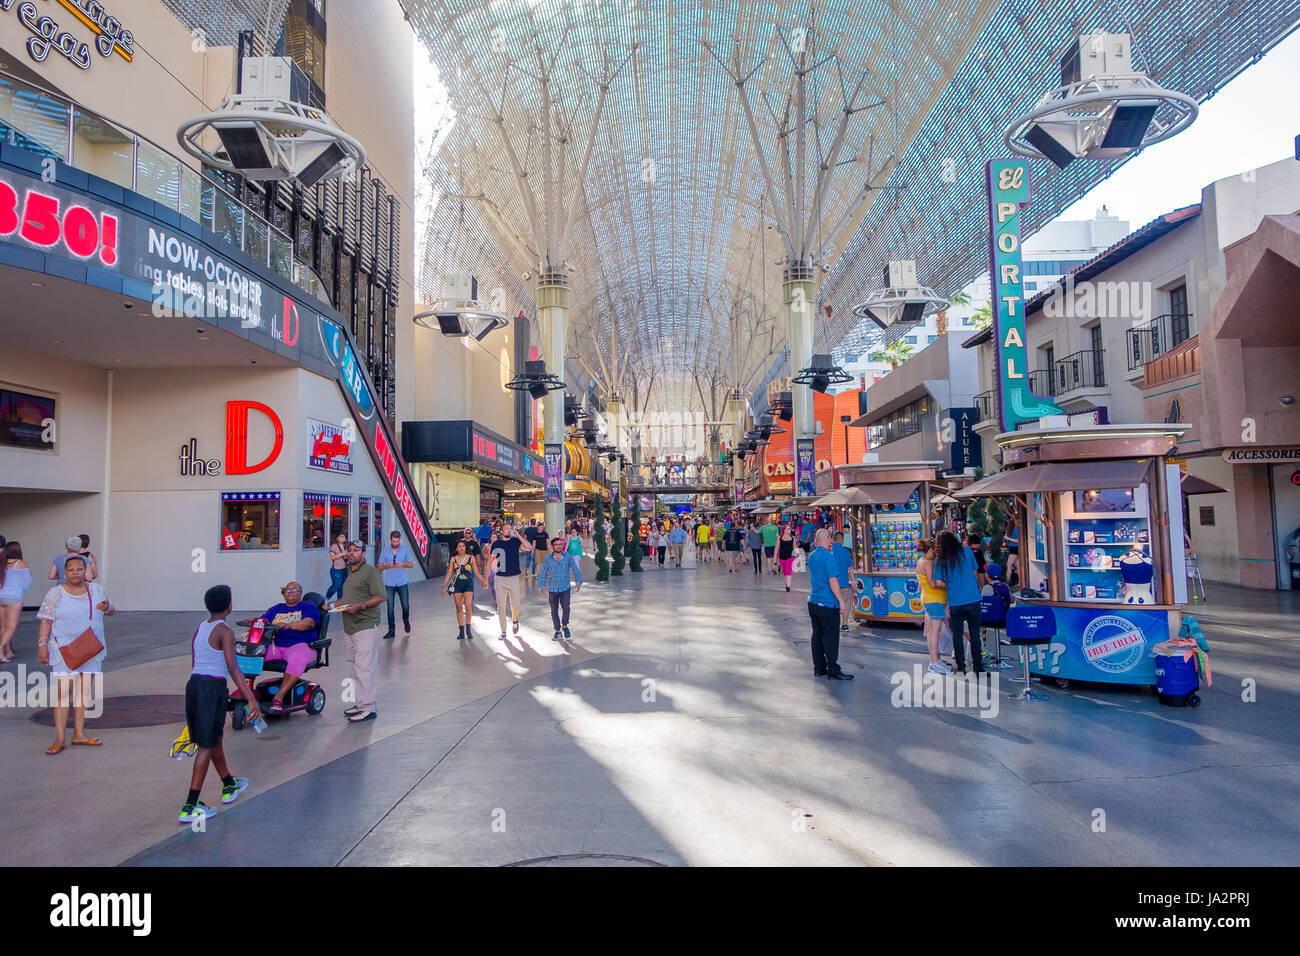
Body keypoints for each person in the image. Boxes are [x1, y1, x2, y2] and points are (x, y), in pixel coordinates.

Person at [176, 585, 258, 823]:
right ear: (230, 606)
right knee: (206, 745)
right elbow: (233, 667)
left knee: (213, 739)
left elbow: (195, 661)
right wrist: (251, 699)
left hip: (194, 685)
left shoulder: (200, 628)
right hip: (212, 688)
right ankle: (190, 806)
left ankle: (228, 784)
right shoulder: (225, 631)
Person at [36, 554, 113, 753]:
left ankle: (79, 734)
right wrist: (42, 645)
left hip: (90, 649)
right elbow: (46, 620)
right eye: (71, 570)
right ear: (65, 573)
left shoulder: (97, 590)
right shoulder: (55, 594)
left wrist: (108, 608)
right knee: (63, 694)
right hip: (63, 650)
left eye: (79, 569)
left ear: (86, 570)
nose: (75, 573)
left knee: (84, 692)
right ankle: (60, 738)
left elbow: (111, 609)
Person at [335, 540, 386, 723]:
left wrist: (361, 606)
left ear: (363, 553)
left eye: (356, 550)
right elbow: (347, 598)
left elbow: (381, 596)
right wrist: (332, 605)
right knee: (354, 667)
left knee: (365, 667)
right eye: (349, 550)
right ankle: (360, 703)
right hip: (350, 626)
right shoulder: (349, 572)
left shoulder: (370, 571)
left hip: (365, 625)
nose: (351, 553)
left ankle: (368, 707)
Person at [258, 582, 321, 713]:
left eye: (295, 589)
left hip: (300, 646)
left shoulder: (308, 606)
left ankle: (279, 696)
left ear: (300, 592)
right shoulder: (276, 609)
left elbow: (308, 623)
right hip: (276, 646)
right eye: (288, 590)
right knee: (253, 655)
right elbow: (262, 622)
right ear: (283, 593)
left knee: (298, 657)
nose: (291, 591)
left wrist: (289, 625)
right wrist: (254, 622)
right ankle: (247, 693)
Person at [934, 529, 985, 675]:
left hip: (955, 601)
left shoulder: (940, 559)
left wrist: (951, 583)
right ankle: (977, 666)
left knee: (957, 634)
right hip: (973, 598)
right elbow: (975, 572)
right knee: (975, 634)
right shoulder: (968, 551)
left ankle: (961, 666)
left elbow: (938, 582)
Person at [808, 529, 852, 680]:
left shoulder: (812, 556)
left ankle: (819, 667)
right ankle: (833, 668)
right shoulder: (828, 557)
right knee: (831, 637)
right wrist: (841, 601)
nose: (831, 541)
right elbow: (833, 581)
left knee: (817, 635)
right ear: (826, 539)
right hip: (828, 603)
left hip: (814, 601)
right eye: (830, 539)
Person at [489, 522, 533, 639]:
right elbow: (491, 561)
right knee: (501, 606)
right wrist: (487, 577)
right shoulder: (496, 544)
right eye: (506, 529)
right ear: (501, 532)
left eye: (510, 528)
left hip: (513, 578)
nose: (509, 530)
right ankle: (503, 631)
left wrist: (518, 536)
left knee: (515, 604)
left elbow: (529, 547)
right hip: (499, 578)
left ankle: (515, 620)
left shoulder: (515, 541)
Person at [537, 536, 583, 641]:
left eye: (560, 544)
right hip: (553, 589)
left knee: (566, 607)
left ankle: (565, 626)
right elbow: (543, 573)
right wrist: (542, 586)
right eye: (556, 544)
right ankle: (557, 631)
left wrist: (578, 581)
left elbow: (575, 568)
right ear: (553, 547)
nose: (559, 546)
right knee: (554, 610)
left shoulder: (567, 556)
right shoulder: (547, 559)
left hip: (565, 588)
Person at [916, 539, 951, 675]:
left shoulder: (920, 562)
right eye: (934, 551)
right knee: (935, 633)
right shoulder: (928, 563)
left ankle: (935, 660)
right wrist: (948, 584)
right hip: (935, 599)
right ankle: (935, 663)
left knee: (931, 633)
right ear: (930, 550)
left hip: (928, 599)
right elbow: (933, 583)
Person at [442, 538, 487, 640]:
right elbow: (449, 572)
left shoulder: (471, 558)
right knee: (458, 608)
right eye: (459, 547)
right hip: (457, 585)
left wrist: (484, 581)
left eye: (463, 546)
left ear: (465, 547)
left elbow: (476, 571)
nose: (461, 548)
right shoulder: (453, 558)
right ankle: (461, 631)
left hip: (468, 584)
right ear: (456, 549)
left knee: (468, 607)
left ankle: (468, 629)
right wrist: (444, 586)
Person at [377, 530, 415, 639]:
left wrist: (403, 563)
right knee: (390, 608)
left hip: (402, 581)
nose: (395, 543)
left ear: (400, 540)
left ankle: (406, 620)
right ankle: (391, 630)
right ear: (390, 540)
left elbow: (411, 564)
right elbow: (379, 566)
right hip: (389, 582)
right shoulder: (385, 551)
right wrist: (387, 566)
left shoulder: (405, 549)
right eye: (393, 541)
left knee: (405, 606)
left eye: (397, 541)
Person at [0, 541, 33, 662]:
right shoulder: (21, 563)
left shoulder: (2, 563)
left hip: (1, 596)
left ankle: (7, 652)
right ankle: (0, 650)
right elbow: (26, 582)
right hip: (14, 597)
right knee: (11, 626)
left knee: (3, 626)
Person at [831, 531, 856, 631]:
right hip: (844, 583)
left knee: (833, 603)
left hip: (832, 583)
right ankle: (844, 624)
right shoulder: (846, 552)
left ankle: (833, 624)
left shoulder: (829, 550)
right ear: (841, 539)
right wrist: (853, 581)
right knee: (845, 603)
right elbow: (850, 568)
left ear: (833, 539)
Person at [326, 532, 348, 603]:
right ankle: (326, 600)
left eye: (343, 537)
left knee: (342, 586)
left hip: (345, 569)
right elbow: (332, 557)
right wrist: (342, 554)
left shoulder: (346, 546)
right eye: (340, 536)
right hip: (336, 569)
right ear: (337, 538)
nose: (342, 538)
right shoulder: (334, 546)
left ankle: (340, 602)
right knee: (336, 585)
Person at [778, 523, 797, 591]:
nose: (790, 530)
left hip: (791, 556)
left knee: (789, 570)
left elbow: (795, 547)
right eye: (788, 529)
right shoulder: (780, 538)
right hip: (782, 557)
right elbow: (777, 548)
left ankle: (788, 586)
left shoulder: (793, 537)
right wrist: (774, 558)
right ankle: (787, 583)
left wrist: (798, 556)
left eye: (790, 529)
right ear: (784, 530)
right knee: (785, 572)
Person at [1004, 517, 1020, 588]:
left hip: (1014, 548)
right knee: (1017, 566)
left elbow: (1019, 540)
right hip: (1014, 547)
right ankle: (1020, 582)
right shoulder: (1015, 527)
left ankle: (1006, 583)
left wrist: (1008, 539)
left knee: (1009, 565)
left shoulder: (1016, 527)